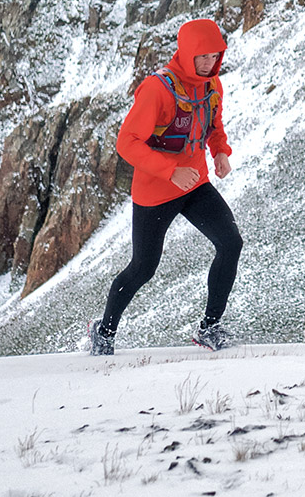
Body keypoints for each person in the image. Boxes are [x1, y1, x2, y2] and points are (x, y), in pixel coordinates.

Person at [89, 18, 241, 354]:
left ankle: (209, 328)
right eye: (202, 57)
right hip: (157, 191)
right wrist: (170, 171)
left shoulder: (212, 85)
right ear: (186, 54)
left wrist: (220, 153)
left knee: (231, 243)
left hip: (194, 183)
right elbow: (127, 142)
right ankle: (104, 331)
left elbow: (214, 126)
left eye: (215, 56)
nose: (210, 63)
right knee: (143, 268)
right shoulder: (158, 89)